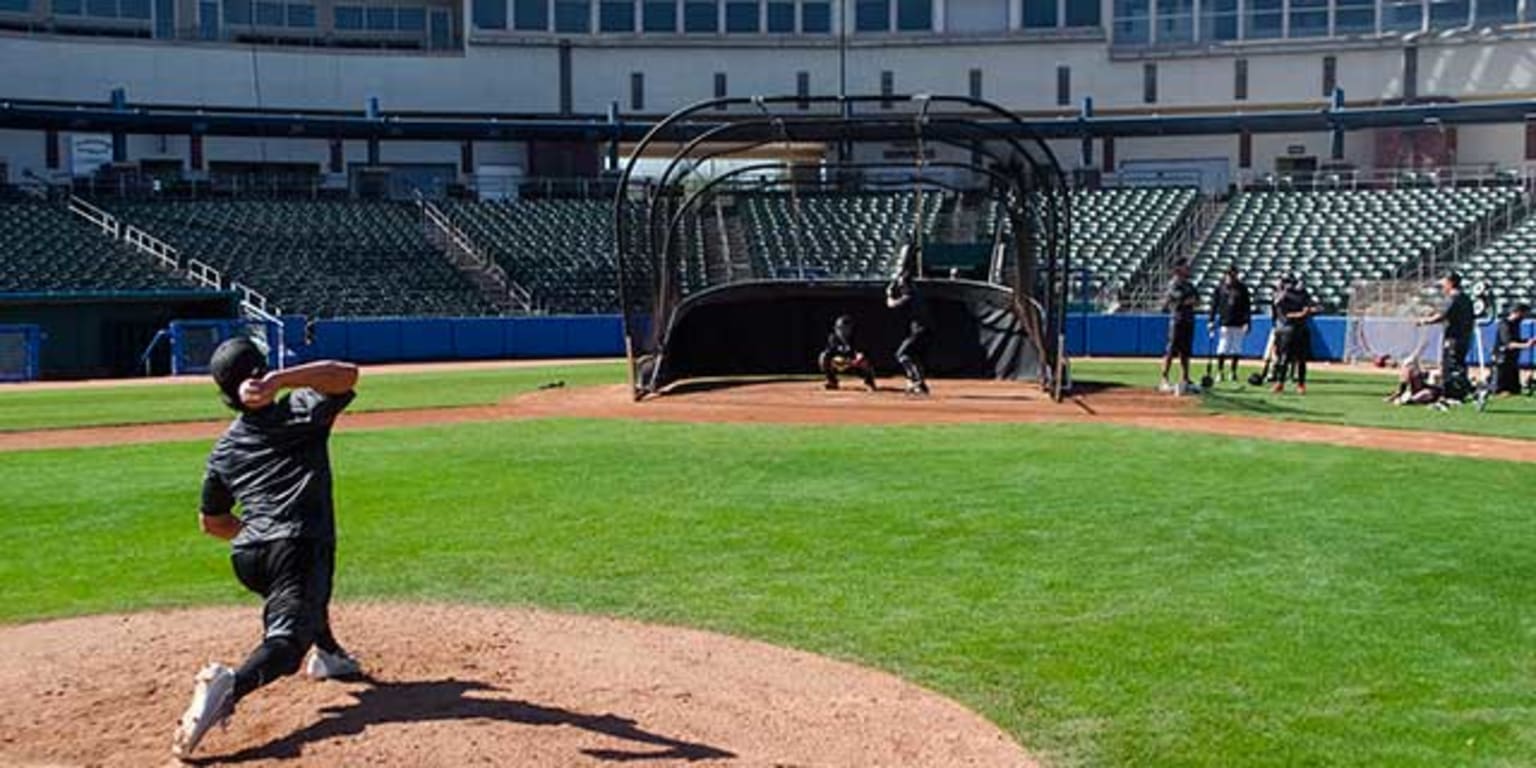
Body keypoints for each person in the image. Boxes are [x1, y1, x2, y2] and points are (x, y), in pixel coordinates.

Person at [172, 338, 363, 759]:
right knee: (286, 642)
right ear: (262, 372)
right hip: (296, 545)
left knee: (303, 595)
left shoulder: (223, 449)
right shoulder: (299, 410)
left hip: (248, 556)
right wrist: (282, 380)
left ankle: (328, 653)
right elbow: (346, 374)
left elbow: (212, 523)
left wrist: (256, 532)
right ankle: (230, 687)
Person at [1417, 271, 1475, 400]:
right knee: (1459, 365)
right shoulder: (1466, 298)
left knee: (1450, 366)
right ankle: (1462, 392)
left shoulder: (1452, 298)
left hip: (1453, 338)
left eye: (1444, 283)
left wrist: (1424, 321)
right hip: (1465, 337)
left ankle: (1452, 394)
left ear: (1450, 283)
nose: (1443, 287)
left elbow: (1442, 315)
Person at [886, 265, 931, 396]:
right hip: (924, 330)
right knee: (914, 357)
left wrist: (889, 295)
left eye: (902, 286)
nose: (901, 288)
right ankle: (917, 383)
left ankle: (916, 382)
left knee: (901, 354)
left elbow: (892, 304)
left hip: (920, 331)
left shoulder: (910, 296)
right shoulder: (916, 294)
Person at [1271, 274, 1319, 394]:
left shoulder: (1302, 294)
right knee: (1284, 358)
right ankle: (1280, 383)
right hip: (1286, 329)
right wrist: (1302, 314)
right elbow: (1284, 315)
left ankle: (1301, 384)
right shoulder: (1281, 295)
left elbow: (1314, 307)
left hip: (1301, 329)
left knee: (1301, 359)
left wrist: (1310, 310)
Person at [1159, 260, 1200, 395]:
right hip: (1177, 319)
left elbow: (1197, 300)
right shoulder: (1174, 283)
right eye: (1185, 266)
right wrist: (1187, 300)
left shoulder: (1189, 285)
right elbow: (1179, 299)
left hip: (1189, 319)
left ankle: (1185, 379)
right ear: (1178, 268)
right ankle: (1164, 378)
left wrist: (1189, 301)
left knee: (1185, 351)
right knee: (1171, 349)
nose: (1187, 268)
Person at [1209, 266, 1253, 383]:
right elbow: (1214, 305)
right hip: (1225, 322)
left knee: (1236, 348)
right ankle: (1220, 371)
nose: (1231, 277)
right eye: (1229, 275)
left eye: (1233, 275)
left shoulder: (1242, 289)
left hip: (1238, 322)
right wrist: (1211, 320)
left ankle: (1233, 372)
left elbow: (1247, 307)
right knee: (1223, 347)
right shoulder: (1220, 288)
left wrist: (1247, 322)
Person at [818, 314, 877, 391]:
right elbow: (828, 353)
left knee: (864, 362)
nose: (841, 331)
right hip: (840, 364)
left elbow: (861, 356)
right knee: (823, 356)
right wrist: (838, 362)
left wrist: (850, 363)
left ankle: (869, 382)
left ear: (850, 329)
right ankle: (832, 382)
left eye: (844, 328)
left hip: (855, 365)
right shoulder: (833, 338)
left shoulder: (857, 338)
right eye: (839, 328)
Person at [1490, 303, 1533, 396]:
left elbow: (1516, 340)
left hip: (1512, 359)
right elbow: (1508, 344)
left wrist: (1528, 341)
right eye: (1524, 314)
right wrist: (1525, 345)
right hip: (1502, 359)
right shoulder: (1504, 324)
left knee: (1514, 389)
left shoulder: (1516, 324)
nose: (1524, 317)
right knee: (1500, 387)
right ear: (1517, 312)